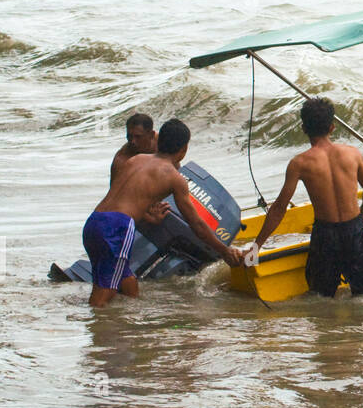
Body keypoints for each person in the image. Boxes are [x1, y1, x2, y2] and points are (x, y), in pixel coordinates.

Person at [83, 118, 244, 307]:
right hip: (117, 227)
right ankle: (94, 330)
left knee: (127, 283)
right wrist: (224, 251)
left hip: (94, 222)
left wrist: (148, 215)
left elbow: (128, 199)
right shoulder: (174, 178)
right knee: (104, 293)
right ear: (184, 149)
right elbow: (197, 224)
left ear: (158, 140)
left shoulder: (135, 160)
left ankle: (125, 327)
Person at [246, 97, 363, 298]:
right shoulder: (352, 154)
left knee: (321, 297)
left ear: (303, 128)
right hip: (354, 230)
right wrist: (362, 217)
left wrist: (256, 247)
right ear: (332, 127)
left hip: (326, 235)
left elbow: (279, 208)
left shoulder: (299, 164)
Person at [110, 112, 156, 185]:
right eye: (129, 136)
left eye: (138, 137)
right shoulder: (122, 161)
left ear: (151, 135)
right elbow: (114, 194)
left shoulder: (161, 142)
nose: (133, 141)